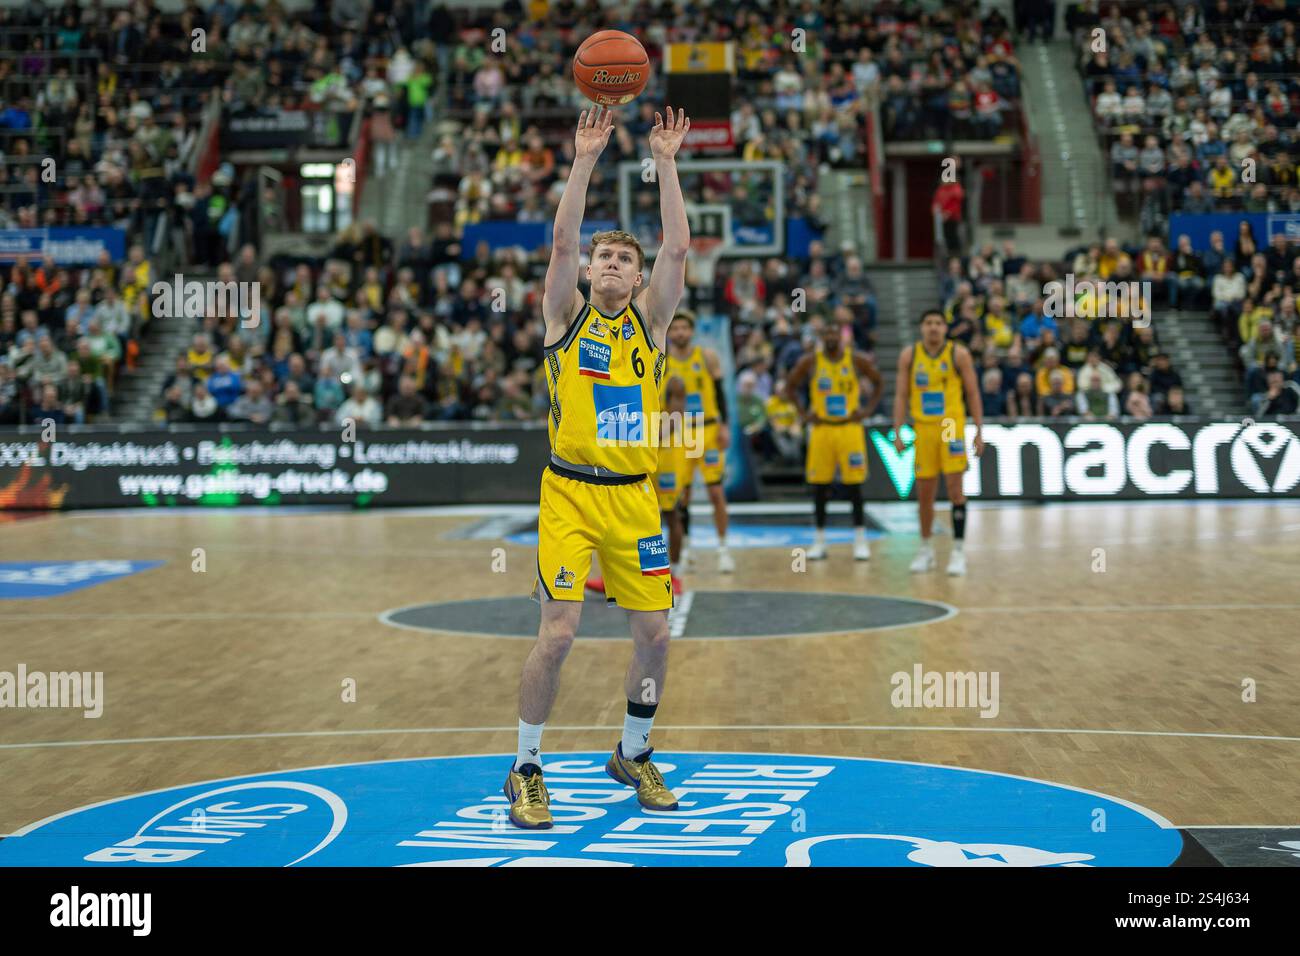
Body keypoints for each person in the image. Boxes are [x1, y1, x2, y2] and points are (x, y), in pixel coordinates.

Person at [510, 105, 691, 830]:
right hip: (569, 496)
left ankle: (633, 751)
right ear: (587, 271)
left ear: (640, 277)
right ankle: (525, 766)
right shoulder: (565, 318)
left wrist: (667, 163)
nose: (610, 263)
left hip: (635, 500)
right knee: (557, 634)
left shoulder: (651, 325)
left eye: (624, 258)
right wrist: (584, 158)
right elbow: (558, 242)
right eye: (601, 257)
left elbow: (678, 250)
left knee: (655, 635)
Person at [892, 309, 985, 576]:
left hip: (949, 426)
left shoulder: (959, 354)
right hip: (923, 427)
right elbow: (900, 395)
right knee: (924, 493)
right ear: (922, 327)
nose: (933, 328)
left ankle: (957, 551)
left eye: (938, 323)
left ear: (945, 328)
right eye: (928, 323)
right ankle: (925, 549)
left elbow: (973, 393)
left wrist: (979, 431)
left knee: (955, 490)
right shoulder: (910, 355)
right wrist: (898, 431)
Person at [783, 316, 883, 561]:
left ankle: (860, 540)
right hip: (822, 429)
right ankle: (819, 541)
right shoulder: (811, 361)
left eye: (834, 333)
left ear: (842, 336)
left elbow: (879, 382)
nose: (830, 338)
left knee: (854, 486)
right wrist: (805, 414)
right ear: (821, 338)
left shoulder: (856, 360)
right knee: (820, 487)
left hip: (849, 428)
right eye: (826, 334)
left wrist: (867, 411)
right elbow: (790, 385)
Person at [664, 310, 734, 574]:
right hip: (679, 433)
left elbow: (719, 393)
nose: (680, 332)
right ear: (670, 333)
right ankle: (687, 548)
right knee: (681, 496)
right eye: (676, 328)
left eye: (684, 328)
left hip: (707, 429)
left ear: (692, 331)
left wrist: (724, 426)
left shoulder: (706, 356)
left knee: (716, 492)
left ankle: (723, 549)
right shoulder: (663, 360)